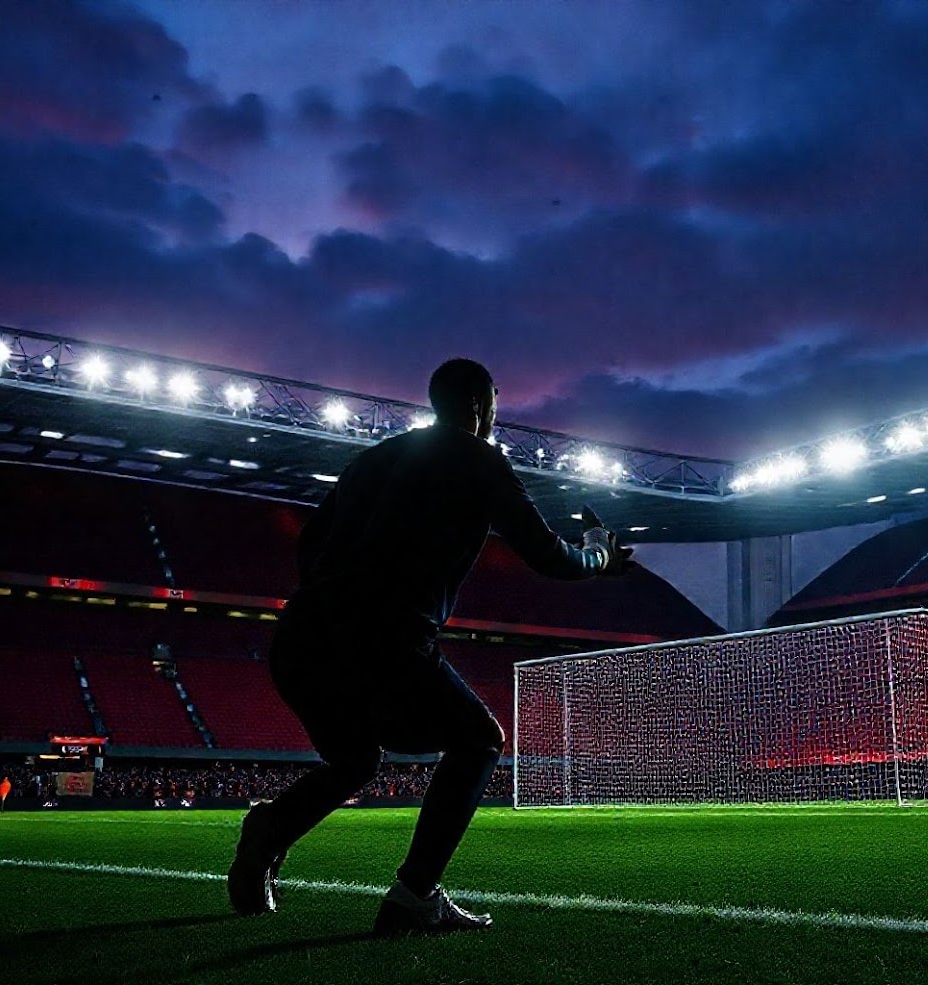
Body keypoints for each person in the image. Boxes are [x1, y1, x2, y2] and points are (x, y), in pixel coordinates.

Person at [228, 358, 632, 935]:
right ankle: (415, 894)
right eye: (494, 400)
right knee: (479, 739)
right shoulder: (478, 459)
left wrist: (337, 599)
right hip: (384, 638)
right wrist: (598, 554)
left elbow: (312, 541)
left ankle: (270, 828)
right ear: (477, 406)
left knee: (356, 758)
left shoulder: (372, 460)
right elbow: (548, 555)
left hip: (303, 637)